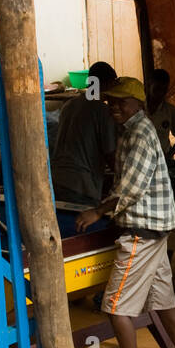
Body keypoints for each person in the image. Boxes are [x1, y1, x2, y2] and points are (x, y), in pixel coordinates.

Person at [76, 77, 175, 348]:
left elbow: (129, 189)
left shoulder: (140, 134)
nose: (114, 107)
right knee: (162, 302)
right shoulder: (134, 131)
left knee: (116, 306)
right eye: (111, 102)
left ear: (138, 104)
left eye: (121, 102)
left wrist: (98, 211)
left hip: (142, 231)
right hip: (155, 229)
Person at [50, 61, 118, 231]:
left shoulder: (69, 105)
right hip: (81, 186)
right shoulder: (102, 111)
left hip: (57, 179)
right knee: (82, 235)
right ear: (106, 84)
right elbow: (111, 154)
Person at [145, 68, 175, 161]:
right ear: (148, 85)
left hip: (163, 159)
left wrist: (168, 157)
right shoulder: (139, 108)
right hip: (142, 158)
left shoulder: (170, 111)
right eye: (157, 89)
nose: (160, 93)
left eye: (164, 90)